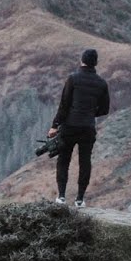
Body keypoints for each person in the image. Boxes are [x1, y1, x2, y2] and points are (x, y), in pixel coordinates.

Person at [48, 48, 110, 208]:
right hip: (88, 128)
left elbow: (64, 105)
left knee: (63, 160)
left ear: (81, 61)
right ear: (96, 63)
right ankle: (80, 199)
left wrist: (54, 125)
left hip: (69, 126)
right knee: (85, 162)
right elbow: (105, 109)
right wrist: (89, 113)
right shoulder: (102, 83)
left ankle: (61, 196)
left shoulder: (73, 79)